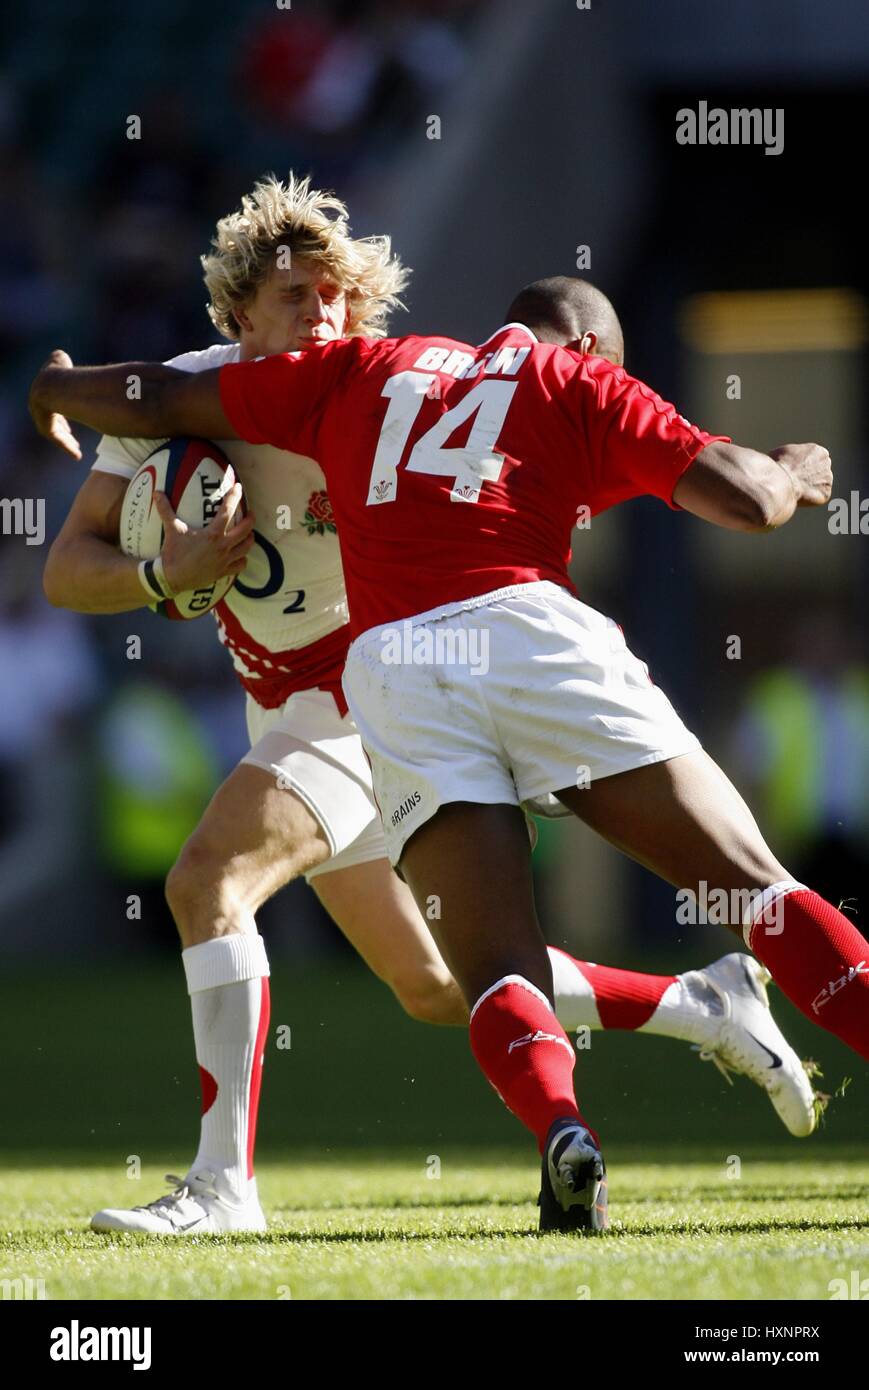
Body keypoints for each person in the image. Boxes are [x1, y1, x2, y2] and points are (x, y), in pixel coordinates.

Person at [33, 264, 855, 1235]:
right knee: (450, 980)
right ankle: (699, 1003)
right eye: (296, 294)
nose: (323, 313)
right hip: (479, 655)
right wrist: (797, 471)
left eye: (335, 293)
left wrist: (54, 388)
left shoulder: (353, 373)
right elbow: (71, 564)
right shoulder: (566, 381)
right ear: (238, 310)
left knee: (218, 883)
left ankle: (225, 1185)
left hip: (368, 689)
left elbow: (151, 396)